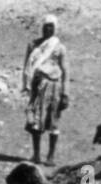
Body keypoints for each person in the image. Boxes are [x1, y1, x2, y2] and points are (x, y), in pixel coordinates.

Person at [21, 14, 69, 166]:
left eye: (51, 26)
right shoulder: (33, 45)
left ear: (55, 28)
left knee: (53, 120)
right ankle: (36, 155)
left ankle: (51, 157)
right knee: (36, 120)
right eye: (46, 26)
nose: (48, 29)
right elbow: (27, 67)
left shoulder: (59, 47)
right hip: (37, 86)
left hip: (54, 87)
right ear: (41, 28)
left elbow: (65, 71)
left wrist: (65, 93)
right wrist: (26, 86)